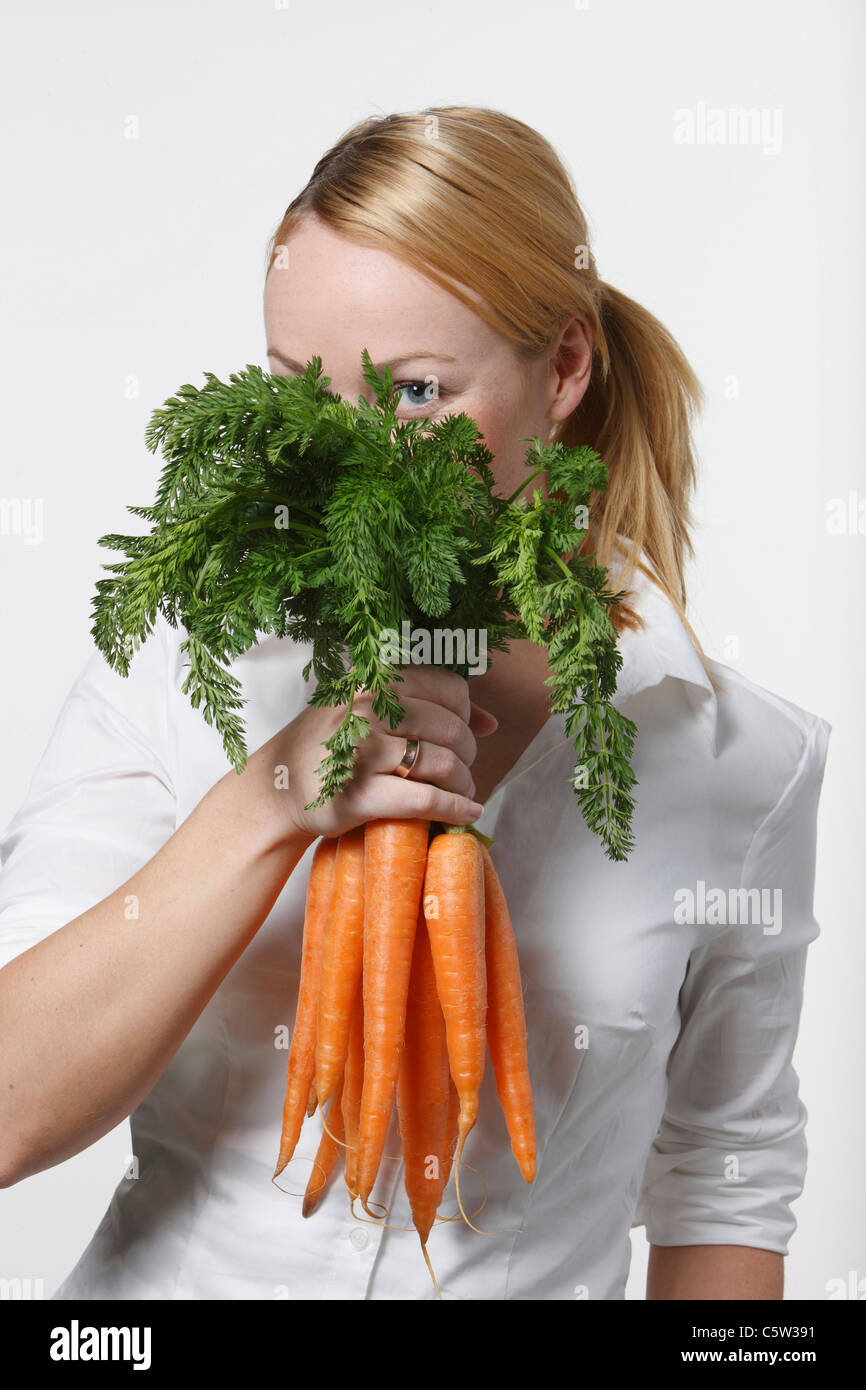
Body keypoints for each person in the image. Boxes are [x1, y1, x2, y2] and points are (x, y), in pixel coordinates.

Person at [0, 106, 830, 1301]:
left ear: (562, 369)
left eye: (418, 392)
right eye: (297, 391)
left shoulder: (742, 758)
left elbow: (726, 1176)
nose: (340, 461)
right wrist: (274, 797)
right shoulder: (183, 663)